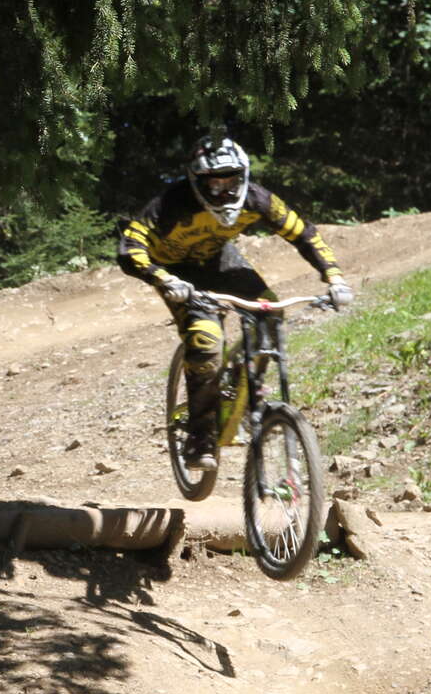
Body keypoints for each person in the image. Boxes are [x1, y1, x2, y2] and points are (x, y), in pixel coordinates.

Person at [118, 135, 353, 472]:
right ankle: (200, 435)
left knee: (270, 312)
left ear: (244, 176)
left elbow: (304, 234)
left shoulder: (258, 199)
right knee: (206, 341)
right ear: (196, 181)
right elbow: (130, 247)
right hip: (175, 273)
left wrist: (335, 277)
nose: (224, 191)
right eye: (214, 184)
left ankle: (244, 389)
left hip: (219, 259)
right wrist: (163, 279)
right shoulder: (170, 204)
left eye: (232, 181)